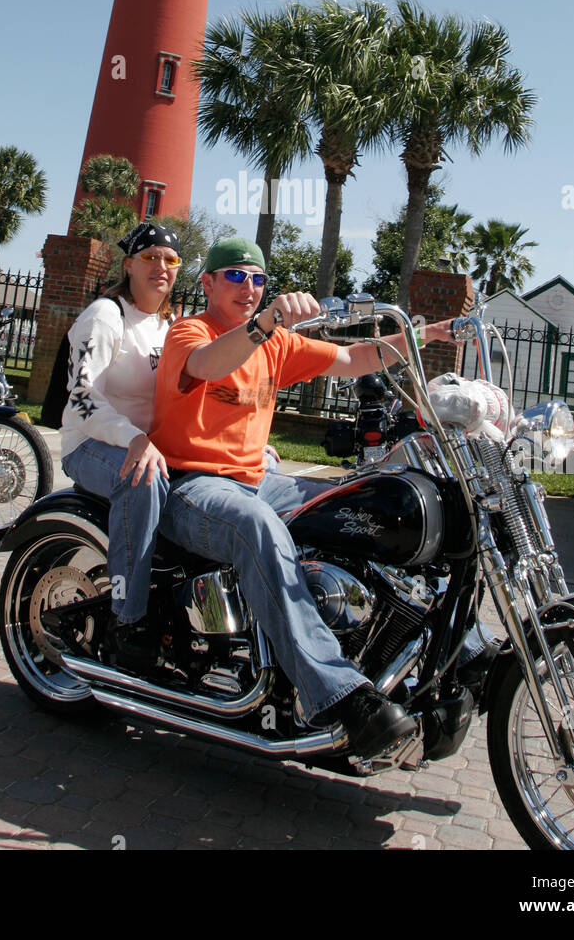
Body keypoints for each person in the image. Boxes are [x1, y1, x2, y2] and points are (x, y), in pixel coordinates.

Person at [150, 236, 457, 762]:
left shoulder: (278, 346)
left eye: (258, 278)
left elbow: (354, 356)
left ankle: (448, 649)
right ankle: (335, 694)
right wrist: (265, 323)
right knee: (256, 525)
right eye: (236, 276)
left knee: (357, 503)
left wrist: (424, 335)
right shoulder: (190, 331)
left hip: (255, 480)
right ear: (207, 283)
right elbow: (207, 365)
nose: (250, 287)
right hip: (190, 485)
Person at [58, 221, 182, 666]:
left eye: (170, 260)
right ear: (129, 264)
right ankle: (127, 619)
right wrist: (133, 440)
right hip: (89, 443)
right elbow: (81, 398)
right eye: (149, 258)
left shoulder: (170, 324)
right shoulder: (105, 315)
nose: (161, 267)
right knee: (142, 480)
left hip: (150, 444)